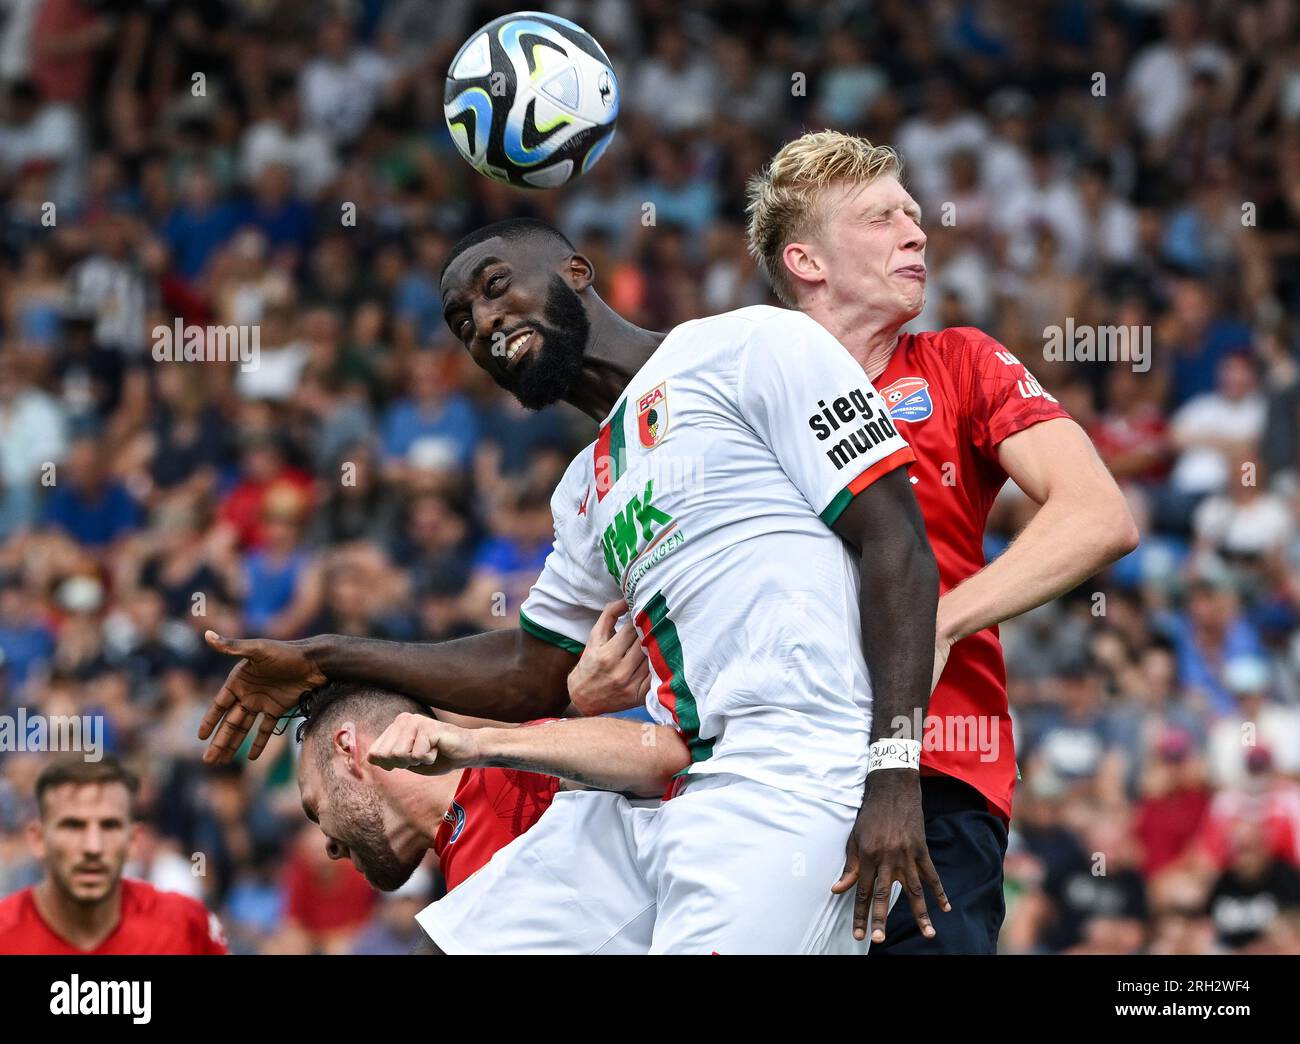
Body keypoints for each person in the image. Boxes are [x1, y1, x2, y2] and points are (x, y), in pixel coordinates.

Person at [198, 216, 942, 954]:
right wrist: (324, 656)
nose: (484, 323)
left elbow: (898, 546)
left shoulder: (748, 345)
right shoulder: (585, 488)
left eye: (495, 290)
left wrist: (894, 772)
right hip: (673, 793)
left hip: (792, 774)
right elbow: (530, 673)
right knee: (476, 937)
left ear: (577, 274)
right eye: (462, 323)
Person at [574, 131, 1139, 953]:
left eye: (913, 215)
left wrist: (940, 620)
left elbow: (1098, 514)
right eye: (881, 219)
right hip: (757, 785)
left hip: (939, 773)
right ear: (808, 261)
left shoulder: (959, 363)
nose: (916, 232)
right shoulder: (722, 395)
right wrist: (584, 684)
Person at [294, 679, 691, 900]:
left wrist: (481, 745)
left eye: (315, 809)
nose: (328, 846)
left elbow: (667, 756)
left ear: (348, 749)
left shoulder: (507, 774)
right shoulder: (453, 891)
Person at [0, 756, 227, 954]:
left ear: (133, 840)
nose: (93, 847)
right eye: (73, 825)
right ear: (38, 839)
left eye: (109, 826)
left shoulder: (187, 926)